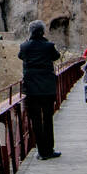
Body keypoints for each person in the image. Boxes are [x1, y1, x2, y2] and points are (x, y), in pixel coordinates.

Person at [18, 19, 61, 159]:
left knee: (36, 120)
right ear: (42, 31)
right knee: (48, 119)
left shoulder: (25, 46)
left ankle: (41, 152)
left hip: (31, 90)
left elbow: (20, 56)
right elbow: (56, 56)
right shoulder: (49, 46)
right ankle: (49, 149)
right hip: (48, 88)